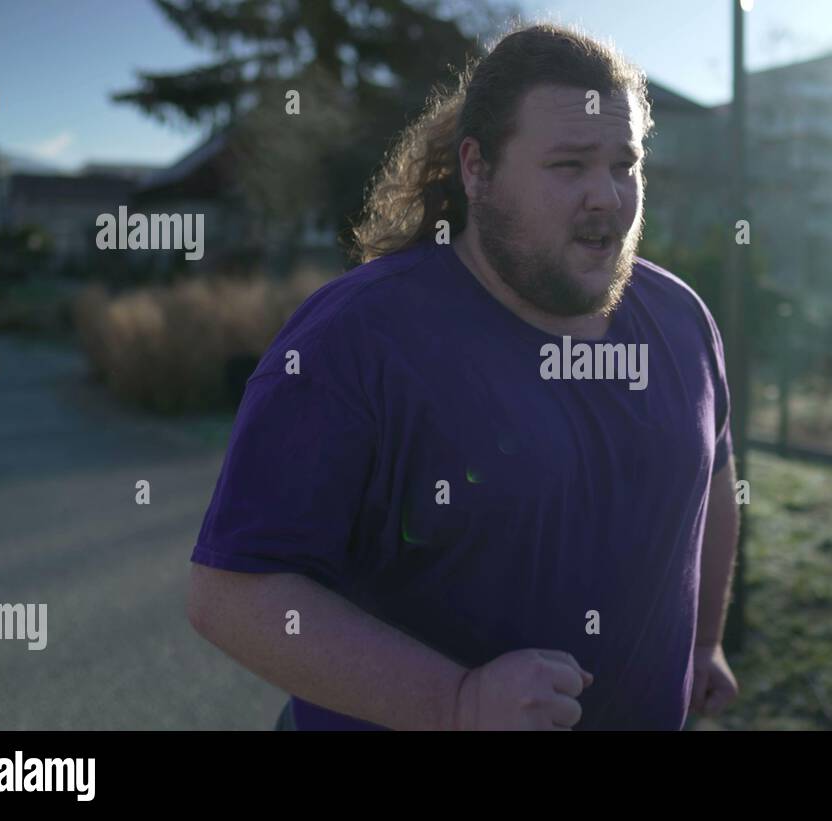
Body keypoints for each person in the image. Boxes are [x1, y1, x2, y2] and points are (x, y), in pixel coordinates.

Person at [186, 22, 740, 731]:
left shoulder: (682, 318)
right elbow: (232, 593)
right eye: (569, 165)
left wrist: (704, 642)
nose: (607, 195)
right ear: (476, 169)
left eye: (623, 164)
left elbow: (713, 480)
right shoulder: (356, 338)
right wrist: (458, 701)